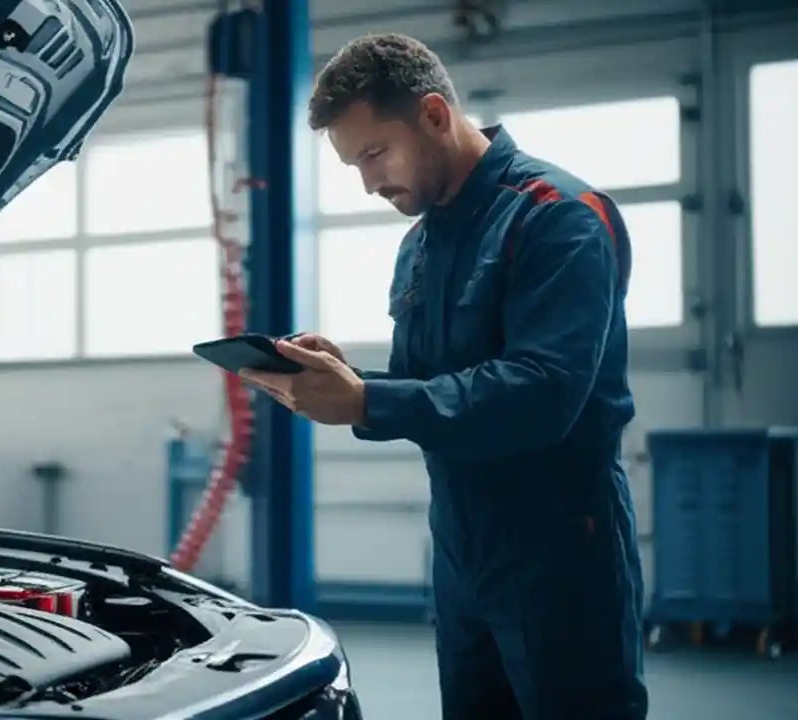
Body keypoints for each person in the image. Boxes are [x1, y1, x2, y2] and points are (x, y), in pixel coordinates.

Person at [240, 33, 648, 720]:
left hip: (560, 549)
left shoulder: (560, 217)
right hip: (461, 550)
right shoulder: (422, 243)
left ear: (434, 115)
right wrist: (343, 381)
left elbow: (543, 393)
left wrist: (368, 399)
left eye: (374, 153)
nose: (369, 181)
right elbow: (422, 387)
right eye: (353, 164)